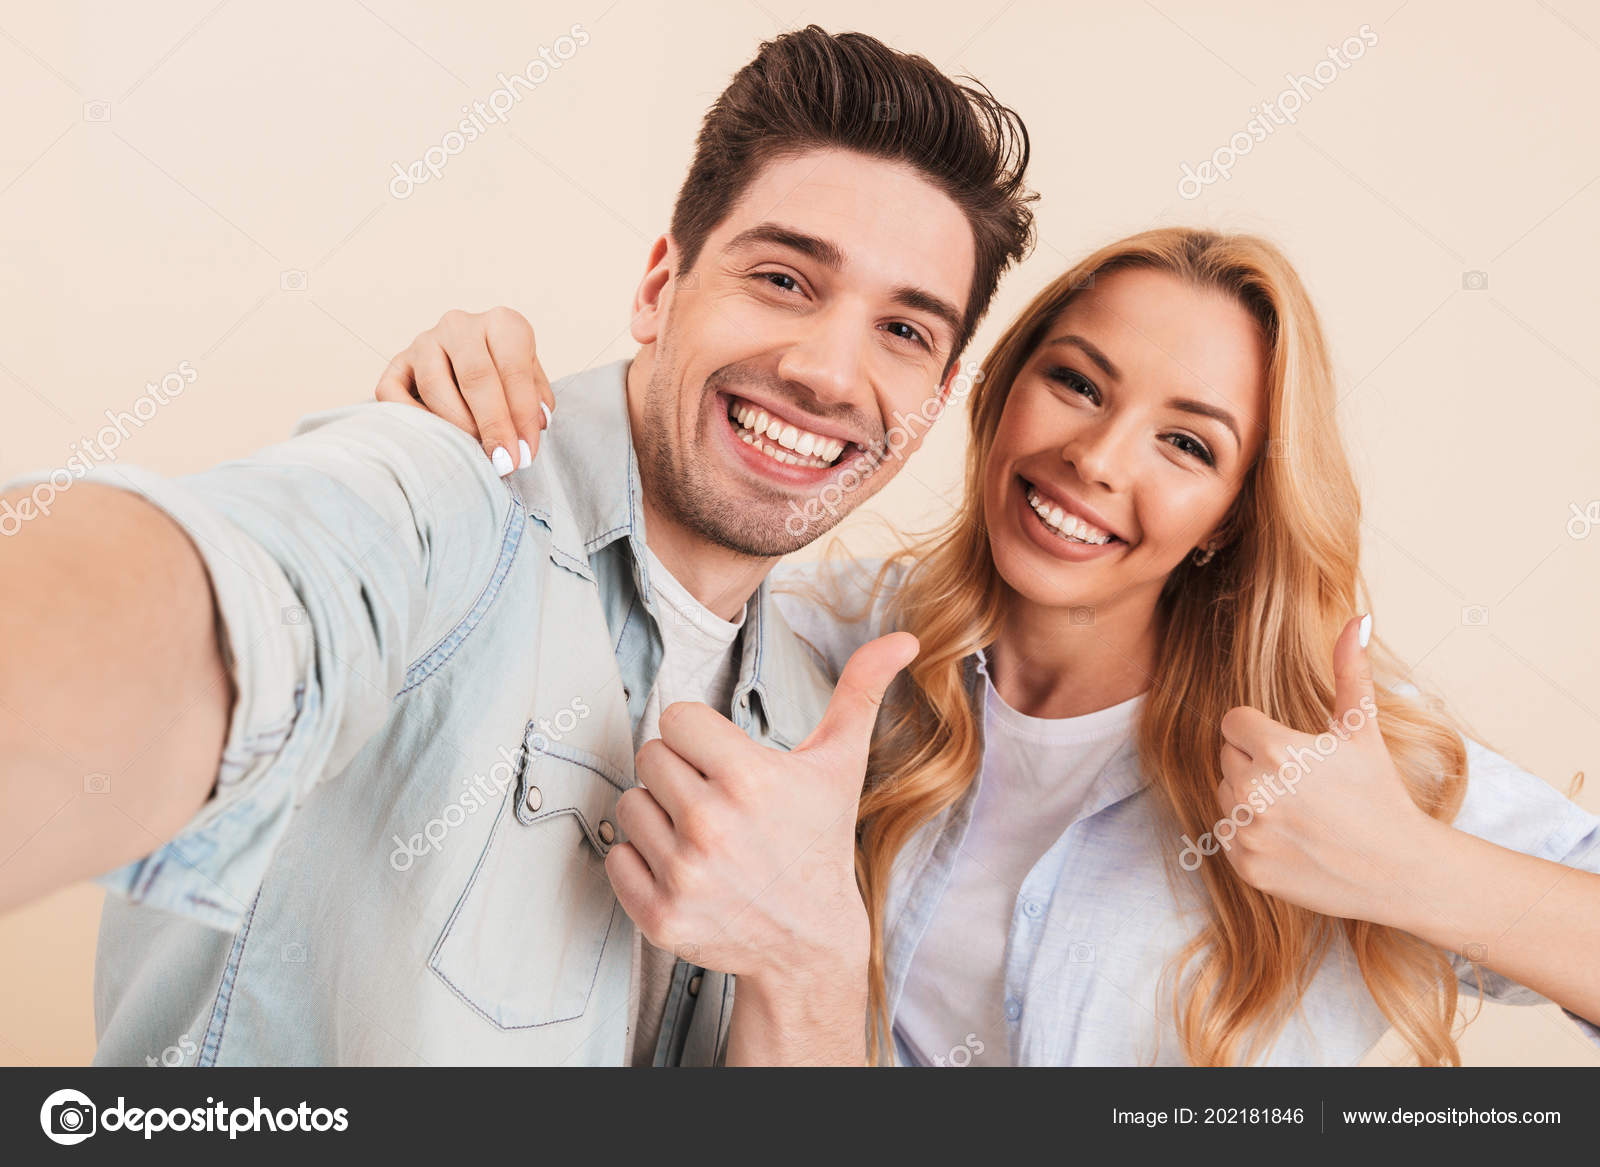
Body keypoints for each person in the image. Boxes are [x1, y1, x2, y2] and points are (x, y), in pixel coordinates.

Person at [0, 26, 1036, 1066]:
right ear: (658, 288)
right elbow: (259, 581)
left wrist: (811, 968)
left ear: (937, 399)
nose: (827, 373)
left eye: (904, 331)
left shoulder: (818, 725)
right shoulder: (447, 484)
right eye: (783, 279)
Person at [389, 226, 1600, 1065]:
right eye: (1076, 383)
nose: (1098, 458)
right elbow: (580, 607)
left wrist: (1410, 870)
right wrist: (470, 407)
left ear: (1231, 512)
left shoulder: (1331, 759)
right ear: (995, 390)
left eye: (1187, 445)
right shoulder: (830, 647)